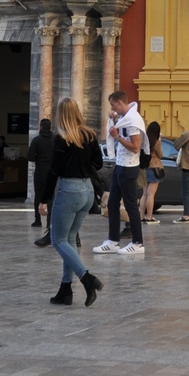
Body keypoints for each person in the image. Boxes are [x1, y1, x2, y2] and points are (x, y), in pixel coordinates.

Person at [46, 97, 105, 307]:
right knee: (70, 238)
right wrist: (83, 163)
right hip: (87, 190)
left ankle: (87, 278)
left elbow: (54, 169)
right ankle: (65, 289)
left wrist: (44, 199)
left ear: (61, 114)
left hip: (69, 189)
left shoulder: (62, 139)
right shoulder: (89, 135)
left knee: (58, 240)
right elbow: (98, 162)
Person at [92, 91, 146, 255]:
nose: (111, 108)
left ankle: (138, 243)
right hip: (120, 165)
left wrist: (117, 138)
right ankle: (113, 240)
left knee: (130, 206)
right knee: (112, 203)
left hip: (129, 167)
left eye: (113, 104)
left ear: (119, 103)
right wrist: (114, 120)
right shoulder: (125, 118)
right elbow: (121, 131)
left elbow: (136, 147)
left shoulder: (133, 120)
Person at [28, 118, 55, 228]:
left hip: (40, 171)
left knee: (38, 195)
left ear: (41, 127)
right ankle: (49, 221)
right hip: (52, 172)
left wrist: (38, 158)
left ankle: (37, 220)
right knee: (51, 196)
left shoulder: (36, 140)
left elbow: (30, 157)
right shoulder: (55, 139)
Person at [141, 120, 165, 224]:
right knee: (151, 195)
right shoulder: (156, 142)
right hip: (154, 168)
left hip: (144, 168)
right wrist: (159, 141)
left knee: (144, 194)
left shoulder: (143, 140)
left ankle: (141, 216)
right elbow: (160, 155)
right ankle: (149, 217)